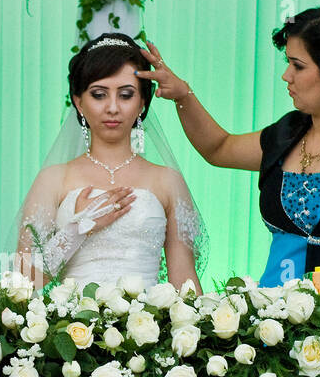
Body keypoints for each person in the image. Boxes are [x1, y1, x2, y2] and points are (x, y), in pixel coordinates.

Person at [138, 2, 320, 286]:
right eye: (288, 63)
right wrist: (183, 95)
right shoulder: (288, 133)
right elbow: (218, 148)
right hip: (270, 319)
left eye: (298, 66)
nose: (286, 76)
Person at [14, 32, 204, 293]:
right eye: (99, 95)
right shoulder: (53, 179)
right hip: (72, 330)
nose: (112, 108)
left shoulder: (167, 180)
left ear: (142, 103)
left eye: (125, 95)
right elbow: (23, 283)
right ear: (79, 103)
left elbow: (185, 285)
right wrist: (77, 229)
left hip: (149, 330)